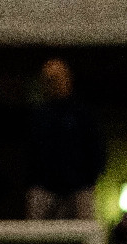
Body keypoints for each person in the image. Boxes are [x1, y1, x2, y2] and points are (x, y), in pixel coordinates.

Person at [26, 59, 106, 223]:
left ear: (68, 79)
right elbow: (30, 154)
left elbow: (96, 149)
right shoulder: (39, 115)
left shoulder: (82, 114)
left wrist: (88, 178)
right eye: (48, 79)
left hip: (79, 187)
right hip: (45, 187)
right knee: (37, 232)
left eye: (56, 78)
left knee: (85, 231)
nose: (52, 83)